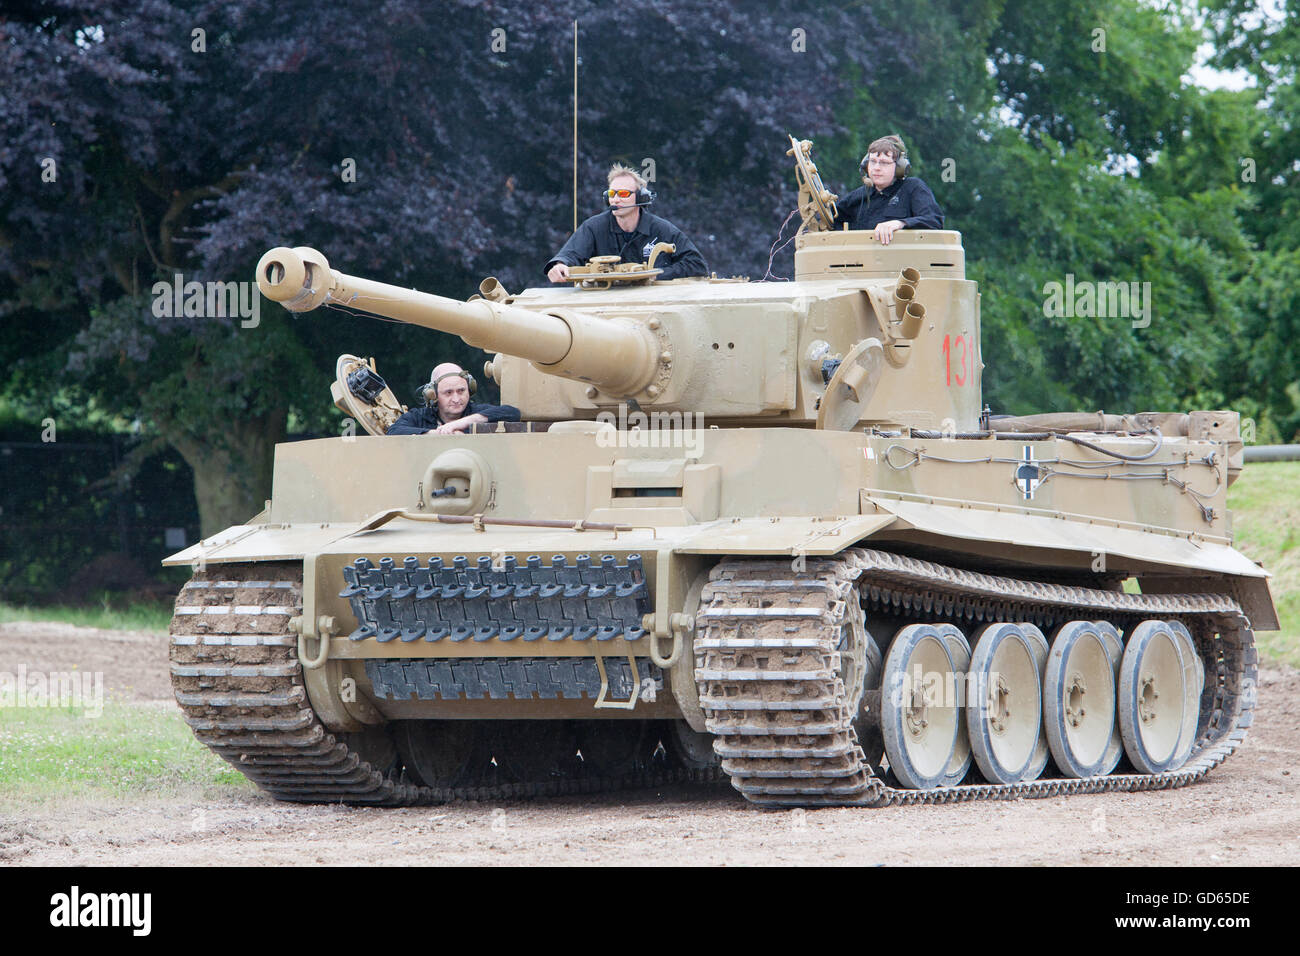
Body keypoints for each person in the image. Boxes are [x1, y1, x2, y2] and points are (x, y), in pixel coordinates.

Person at [545, 163, 708, 282]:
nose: (616, 199)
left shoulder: (661, 230)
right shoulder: (593, 228)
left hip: (653, 302)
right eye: (611, 193)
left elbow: (696, 264)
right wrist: (560, 265)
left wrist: (656, 274)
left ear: (640, 198)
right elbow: (571, 254)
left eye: (623, 194)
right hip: (606, 302)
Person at [832, 134, 944, 245]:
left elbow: (934, 220)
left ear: (900, 167)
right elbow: (832, 220)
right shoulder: (859, 196)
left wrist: (900, 223)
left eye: (884, 163)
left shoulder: (913, 188)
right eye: (872, 161)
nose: (876, 168)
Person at [386, 363, 520, 435]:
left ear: (470, 389)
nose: (456, 399)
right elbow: (394, 431)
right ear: (433, 395)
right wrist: (438, 434)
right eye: (448, 393)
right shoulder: (419, 417)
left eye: (461, 391)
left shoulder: (476, 411)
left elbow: (512, 413)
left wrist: (461, 423)